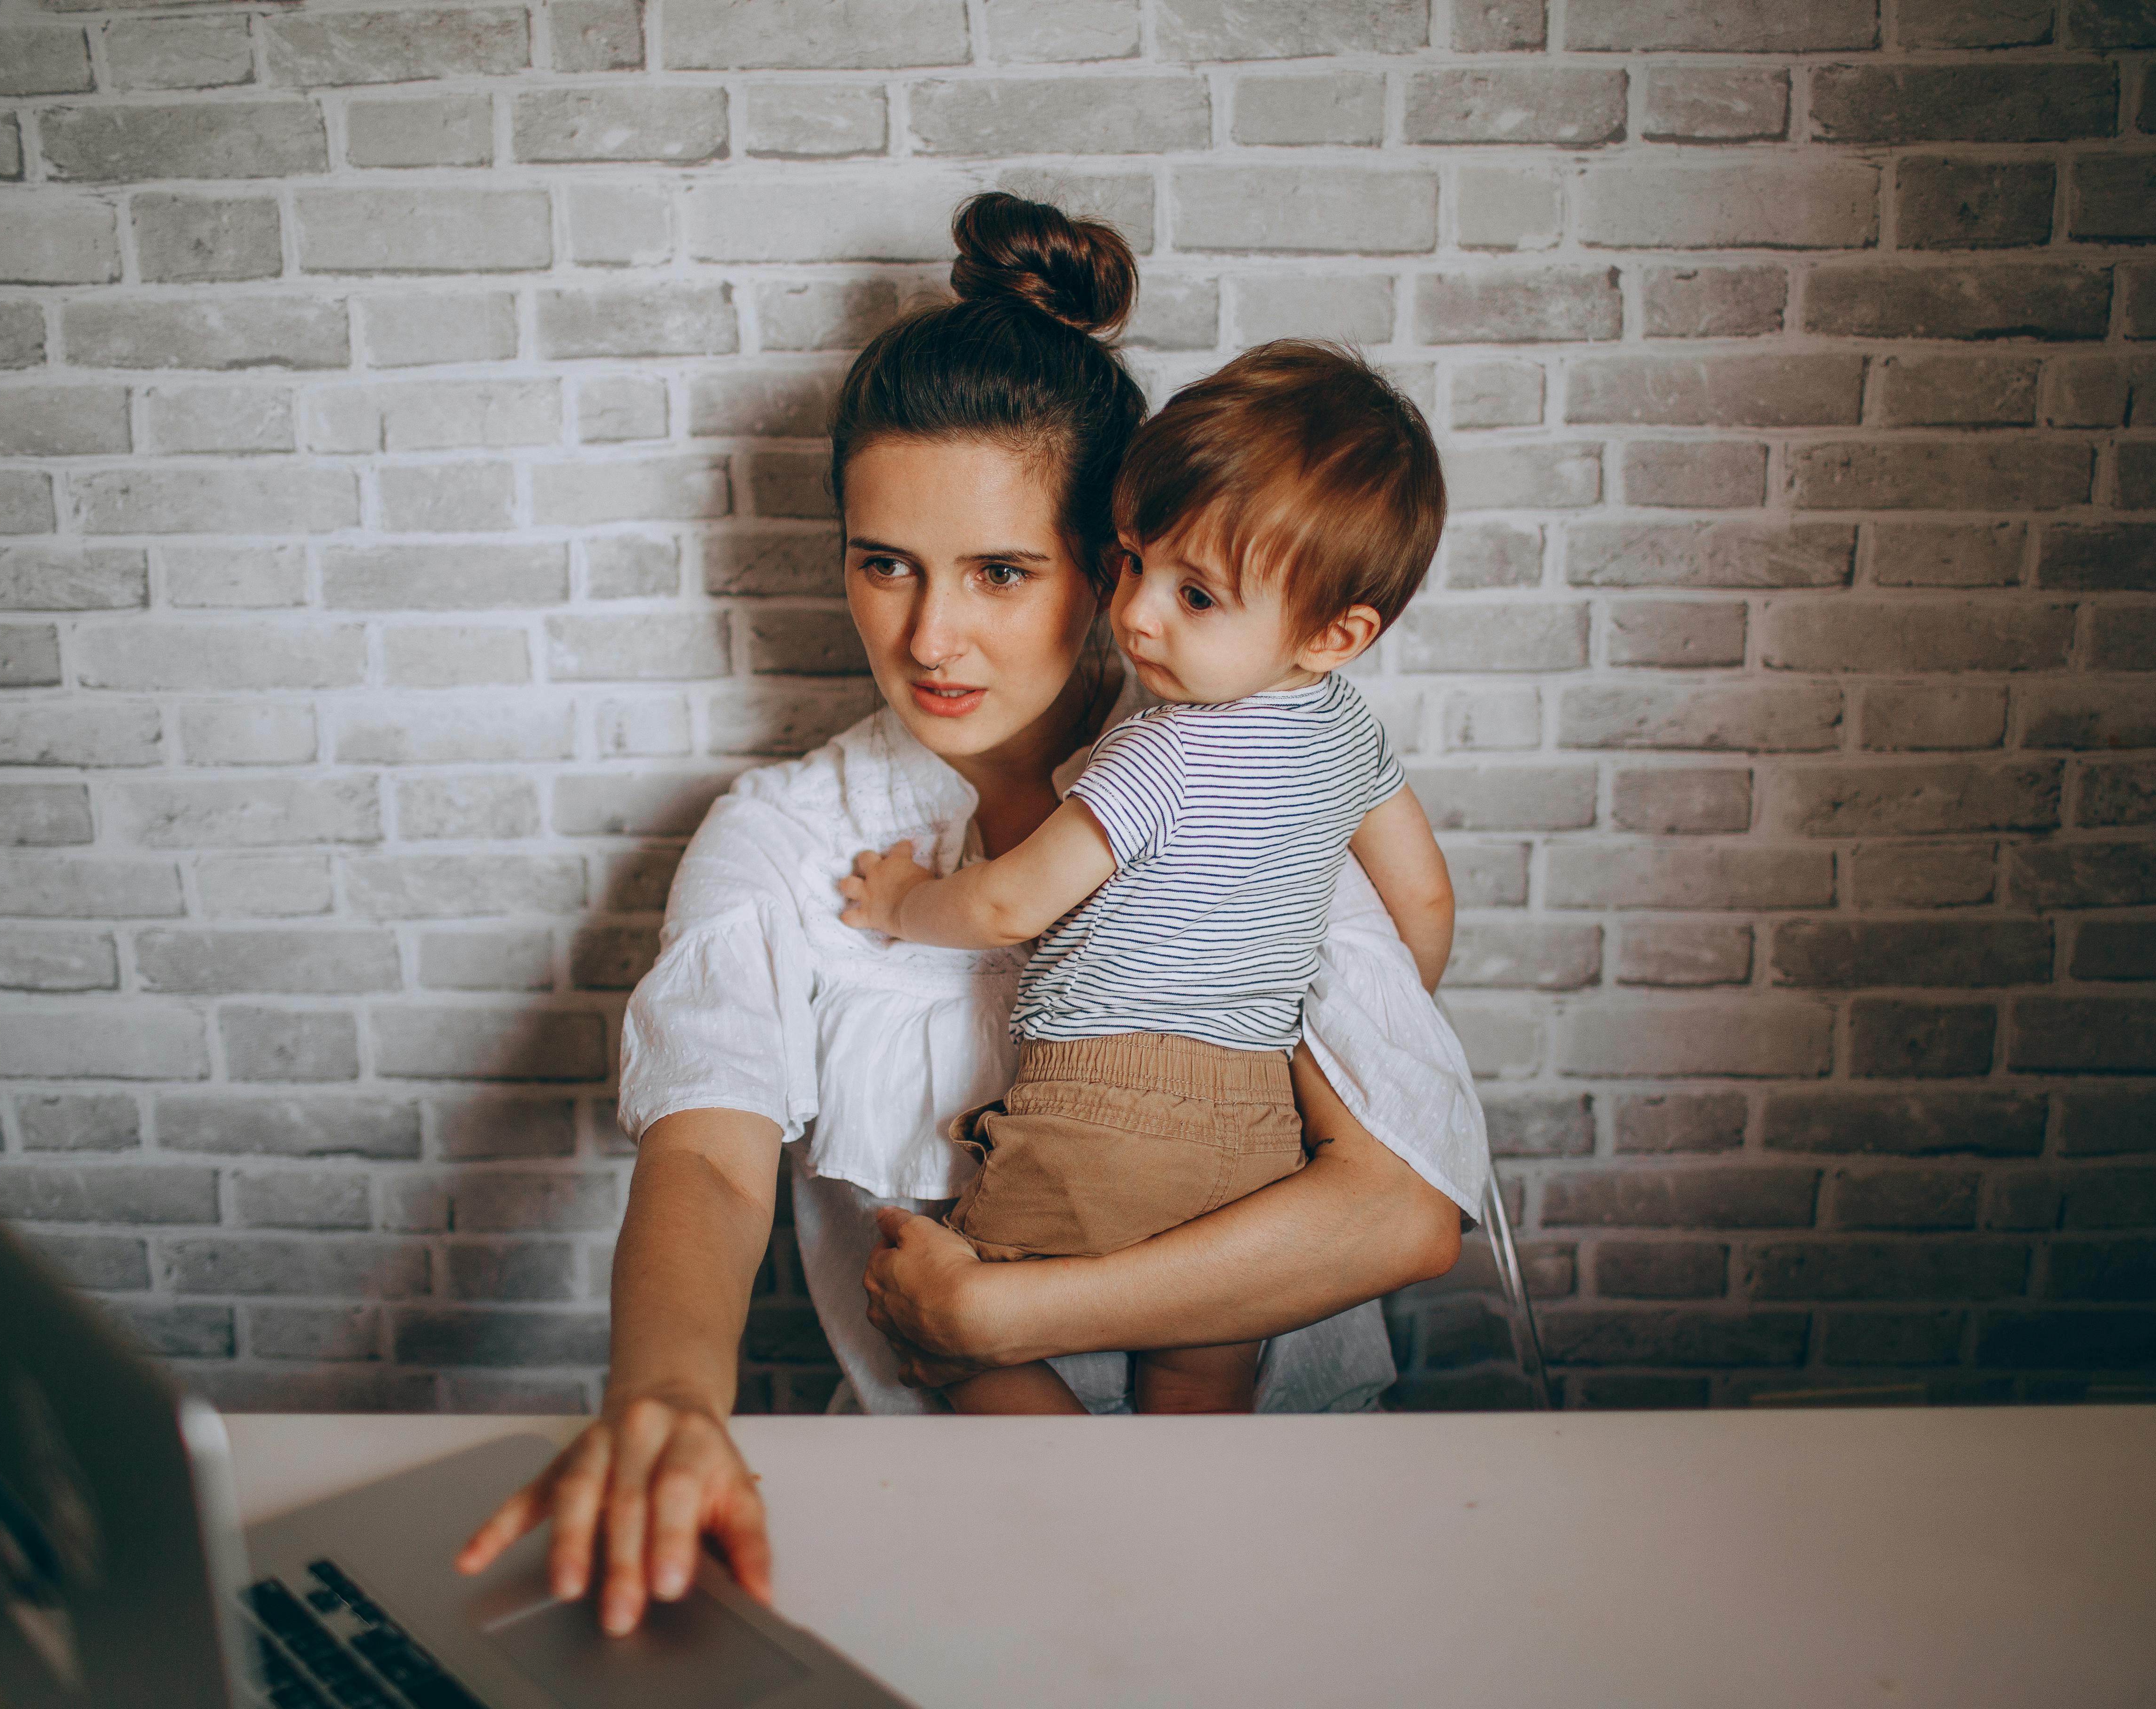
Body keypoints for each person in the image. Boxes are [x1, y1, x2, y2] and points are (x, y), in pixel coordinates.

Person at [455, 193, 1492, 1638]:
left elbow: (1396, 1212)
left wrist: (1000, 1315)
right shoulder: (785, 837)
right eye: (886, 563)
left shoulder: (1247, 780)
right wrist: (667, 1404)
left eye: (1000, 572)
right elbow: (704, 1162)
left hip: (1280, 1528)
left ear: (1115, 562)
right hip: (947, 1542)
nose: (929, 637)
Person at [836, 342, 1458, 1418]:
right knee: (1200, 1358)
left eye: (1198, 596)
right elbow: (1424, 906)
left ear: (1336, 631)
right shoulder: (1349, 736)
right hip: (1255, 1120)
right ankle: (1179, 1553)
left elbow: (1005, 904)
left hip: (1100, 1106)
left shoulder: (1156, 754)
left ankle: (1072, 1504)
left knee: (961, 1339)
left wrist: (898, 903)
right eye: (1132, 562)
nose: (1138, 616)